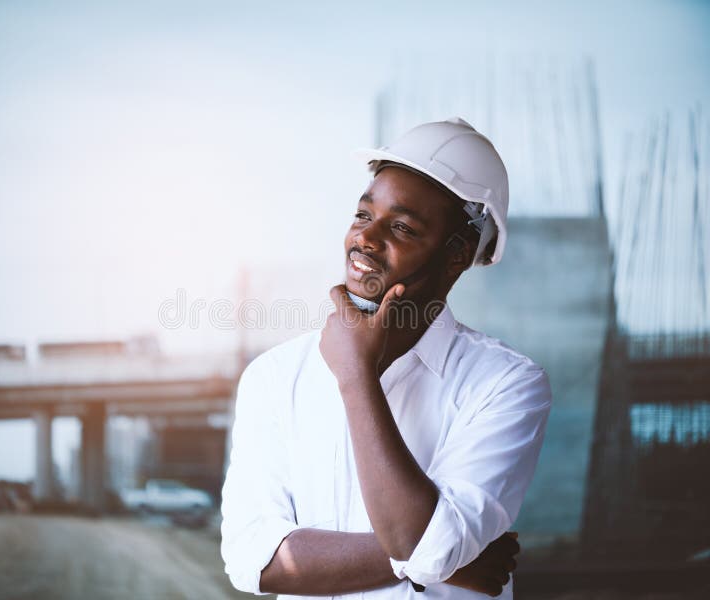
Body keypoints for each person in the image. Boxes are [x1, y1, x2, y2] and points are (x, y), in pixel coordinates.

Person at [220, 118, 552, 599]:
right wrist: (433, 559)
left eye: (401, 227)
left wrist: (357, 376)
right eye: (362, 215)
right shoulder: (274, 378)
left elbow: (428, 548)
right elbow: (252, 559)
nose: (366, 239)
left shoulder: (506, 385)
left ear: (456, 254)